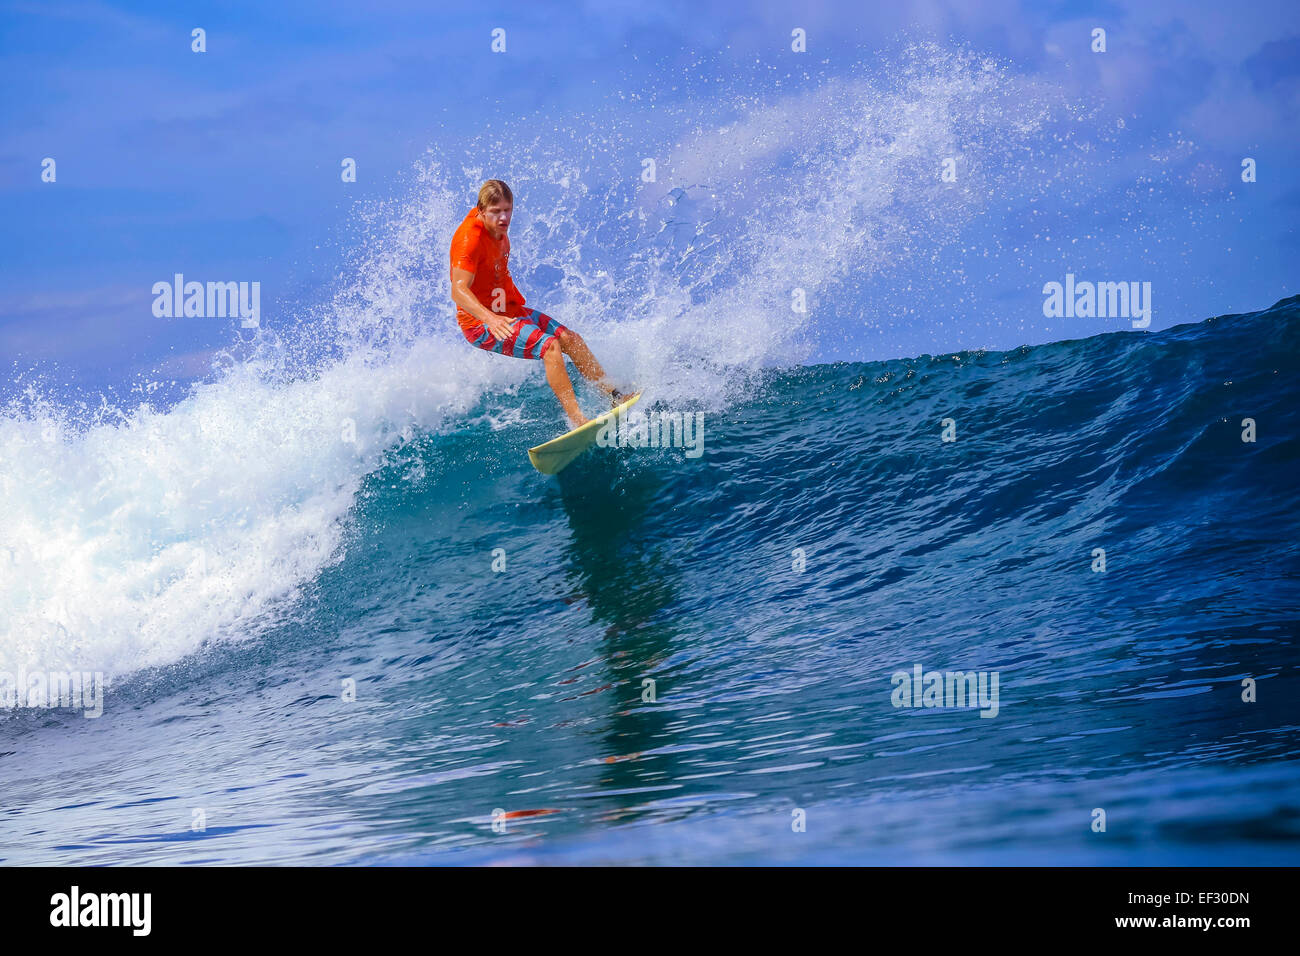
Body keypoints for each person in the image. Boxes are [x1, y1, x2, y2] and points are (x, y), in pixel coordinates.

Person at [449, 179, 626, 428]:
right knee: (550, 346)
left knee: (571, 339)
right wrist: (491, 318)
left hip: (509, 310)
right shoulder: (469, 240)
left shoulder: (496, 227)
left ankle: (614, 397)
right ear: (480, 210)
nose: (503, 217)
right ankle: (577, 419)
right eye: (495, 212)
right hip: (481, 323)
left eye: (507, 210)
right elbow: (458, 291)